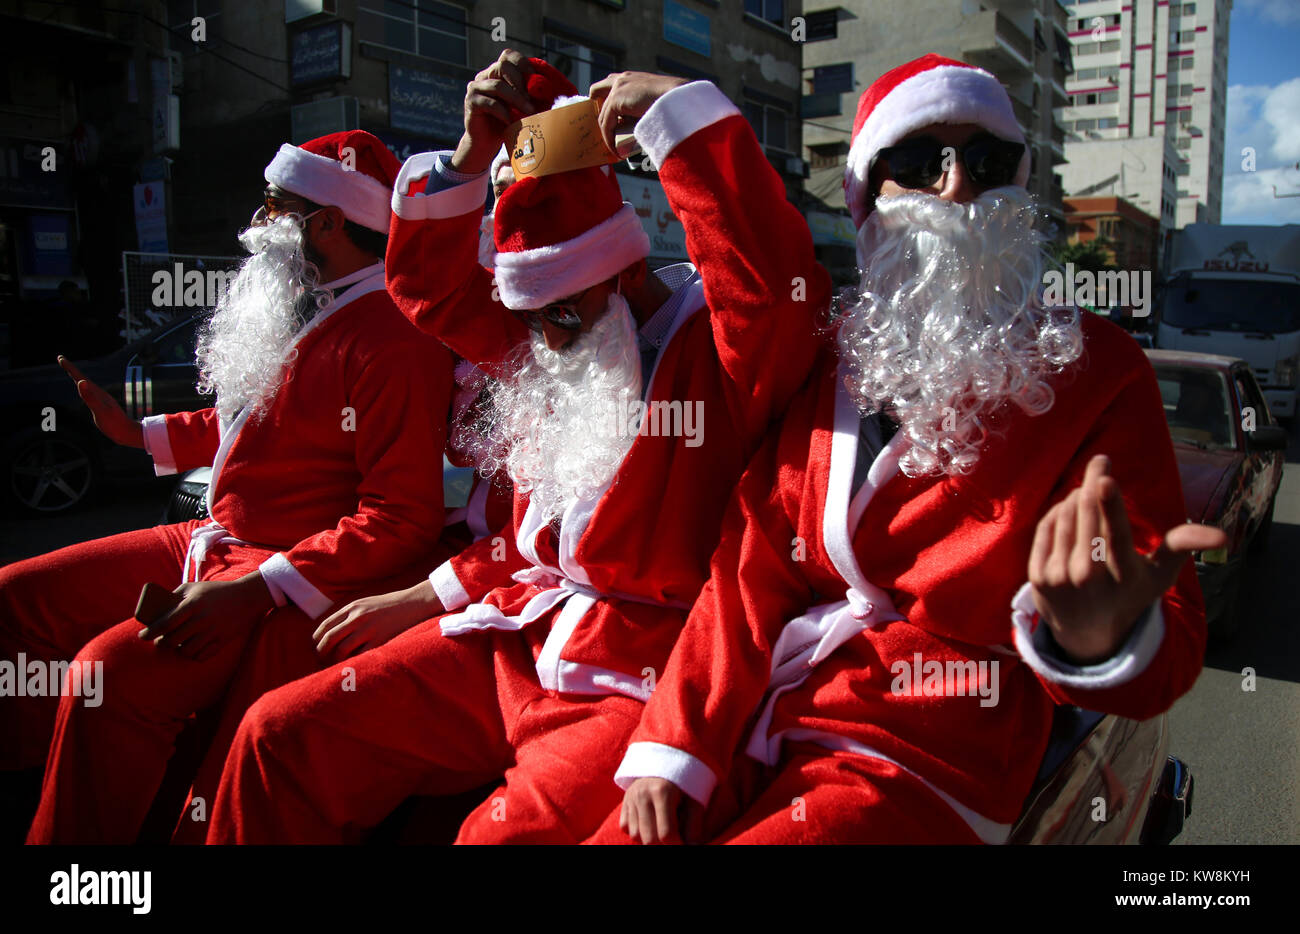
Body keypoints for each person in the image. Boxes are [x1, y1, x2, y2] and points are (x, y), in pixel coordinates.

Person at [204, 53, 829, 844]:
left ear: (628, 274)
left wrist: (677, 117)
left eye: (558, 318)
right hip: (510, 635)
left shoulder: (718, 353)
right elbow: (430, 290)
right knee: (278, 736)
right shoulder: (554, 334)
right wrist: (471, 155)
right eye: (527, 319)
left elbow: (769, 281)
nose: (535, 345)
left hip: (633, 680)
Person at [607, 54, 1226, 844]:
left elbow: (1166, 638)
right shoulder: (836, 356)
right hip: (775, 707)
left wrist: (1099, 633)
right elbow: (750, 567)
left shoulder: (1098, 369)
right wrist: (675, 743)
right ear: (868, 202)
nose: (959, 187)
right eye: (917, 163)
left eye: (987, 162)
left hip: (932, 752)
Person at [0, 130, 460, 844]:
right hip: (203, 539)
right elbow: (247, 418)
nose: (255, 222)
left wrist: (257, 589)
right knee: (14, 601)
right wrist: (136, 433)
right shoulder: (310, 296)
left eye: (274, 204)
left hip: (268, 562)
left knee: (104, 674)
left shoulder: (393, 339)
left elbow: (401, 518)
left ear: (328, 222)